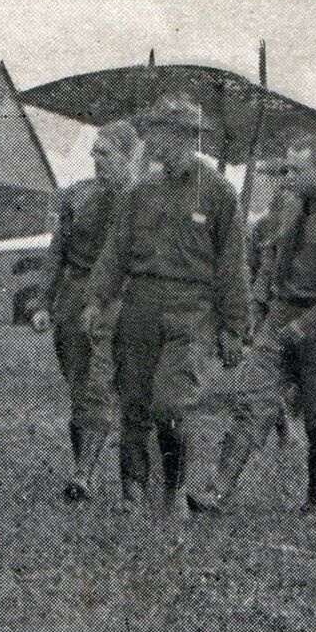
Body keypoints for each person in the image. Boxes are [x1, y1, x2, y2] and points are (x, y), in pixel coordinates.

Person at [83, 94, 250, 516]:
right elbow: (114, 253)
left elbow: (233, 265)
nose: (155, 140)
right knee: (134, 402)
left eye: (163, 132)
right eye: (154, 131)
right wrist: (97, 299)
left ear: (185, 137)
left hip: (191, 311)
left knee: (171, 404)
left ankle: (172, 490)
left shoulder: (218, 193)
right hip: (139, 305)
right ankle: (132, 491)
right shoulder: (140, 192)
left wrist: (234, 328)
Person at [193, 131, 316, 517]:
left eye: (296, 169)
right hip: (280, 318)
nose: (287, 176)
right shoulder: (290, 207)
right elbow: (272, 262)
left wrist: (307, 324)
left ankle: (315, 502)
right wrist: (259, 309)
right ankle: (217, 490)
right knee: (251, 399)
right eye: (286, 168)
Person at [31, 119, 141, 499]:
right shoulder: (77, 196)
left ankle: (84, 474)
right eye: (94, 151)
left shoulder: (142, 202)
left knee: (98, 383)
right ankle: (85, 469)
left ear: (128, 157)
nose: (96, 158)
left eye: (105, 152)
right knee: (79, 387)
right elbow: (56, 253)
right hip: (74, 298)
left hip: (118, 300)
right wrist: (43, 301)